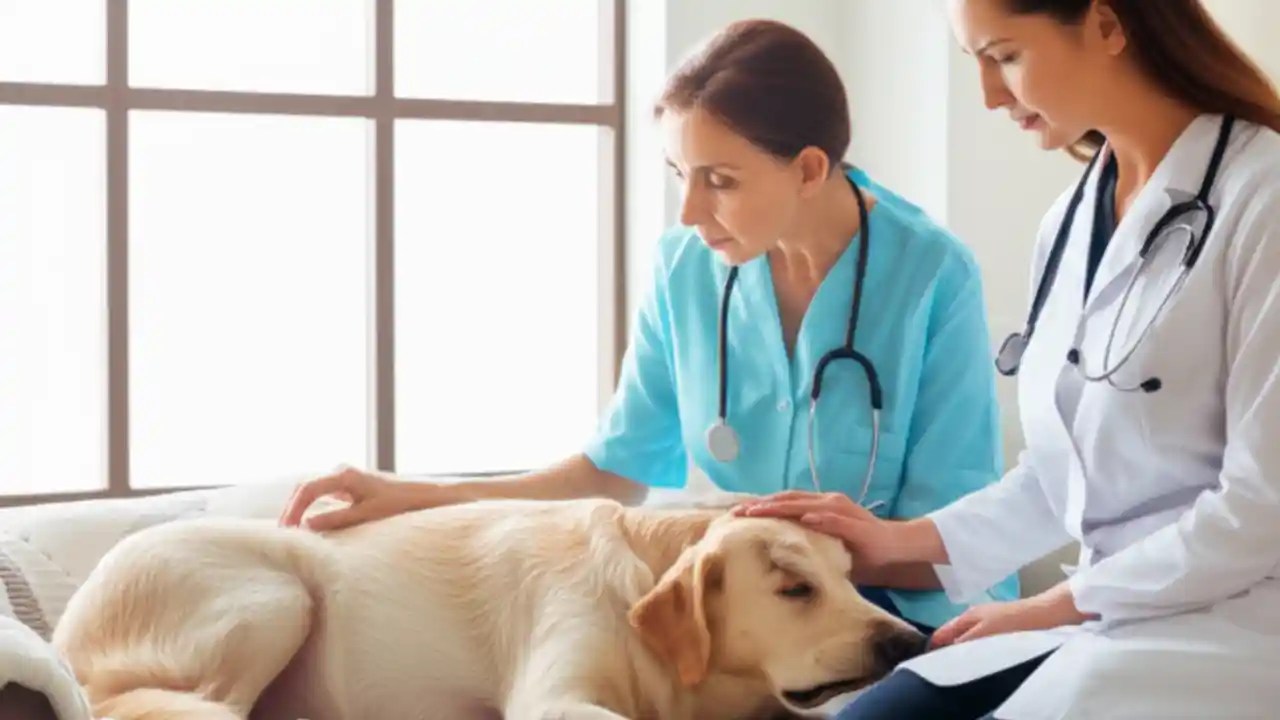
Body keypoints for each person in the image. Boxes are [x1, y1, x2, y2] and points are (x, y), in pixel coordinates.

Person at [279, 18, 1017, 633]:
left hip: (900, 612)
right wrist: (417, 496)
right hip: (747, 601)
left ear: (809, 168)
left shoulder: (931, 277)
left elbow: (953, 538)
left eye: (719, 181)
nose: (690, 212)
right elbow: (611, 472)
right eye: (679, 175)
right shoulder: (686, 268)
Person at [738, 0, 1280, 717]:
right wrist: (891, 544)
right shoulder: (1069, 222)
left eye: (1007, 56)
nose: (990, 95)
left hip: (1239, 624)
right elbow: (1061, 478)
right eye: (977, 64)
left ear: (1109, 24)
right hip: (1109, 617)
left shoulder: (1263, 198)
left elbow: (1261, 508)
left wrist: (1057, 605)